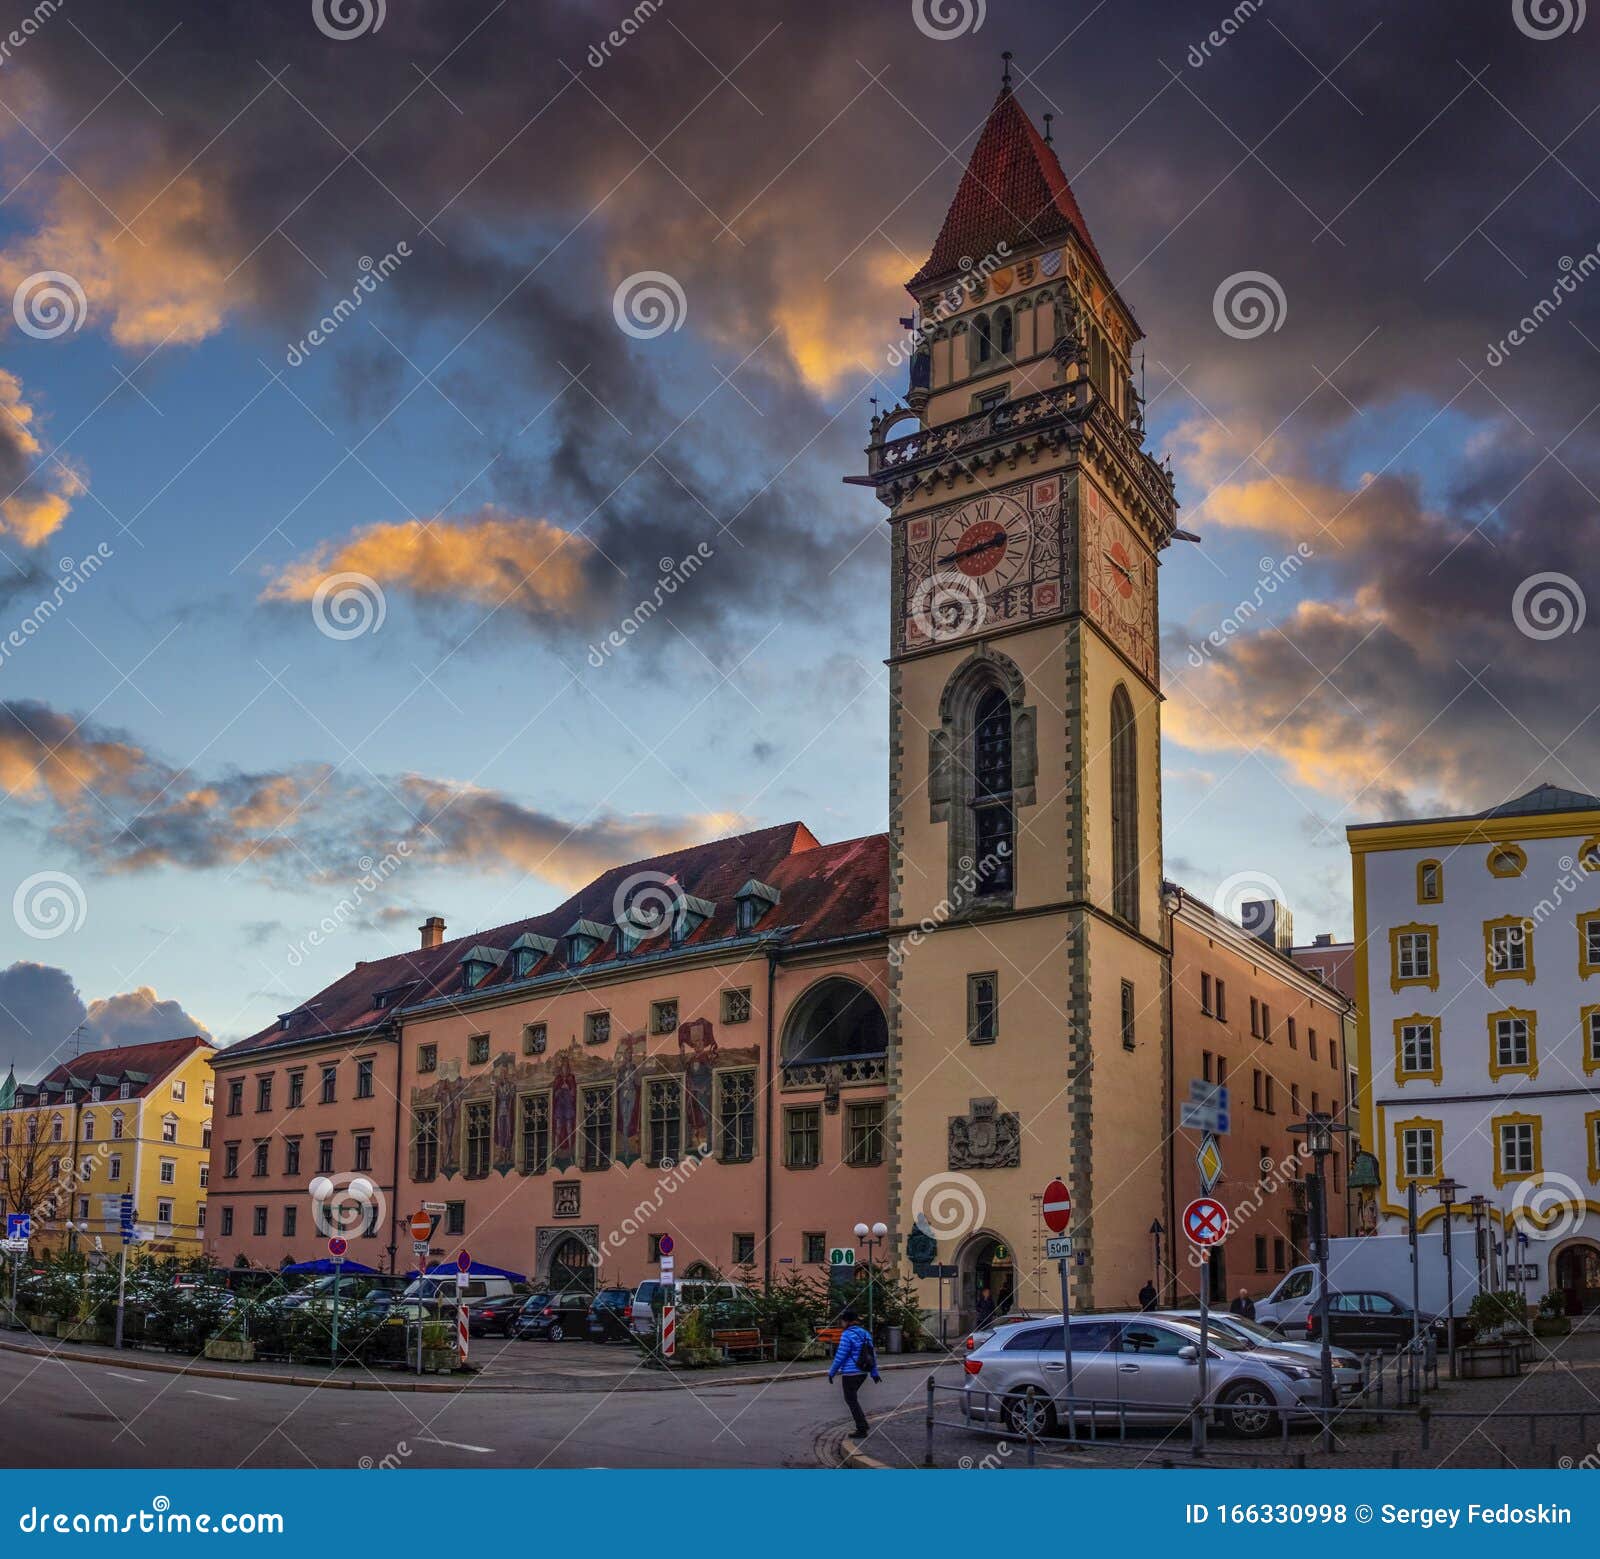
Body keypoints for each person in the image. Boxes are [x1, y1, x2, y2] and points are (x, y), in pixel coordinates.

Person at [827, 1306, 881, 1437]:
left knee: (851, 1400)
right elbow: (871, 1355)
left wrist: (832, 1372)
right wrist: (874, 1373)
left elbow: (841, 1355)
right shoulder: (865, 1333)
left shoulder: (847, 1334)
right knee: (852, 1399)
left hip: (851, 1373)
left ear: (847, 1321)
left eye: (842, 1321)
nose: (841, 1323)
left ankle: (862, 1428)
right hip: (863, 1372)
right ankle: (862, 1425)